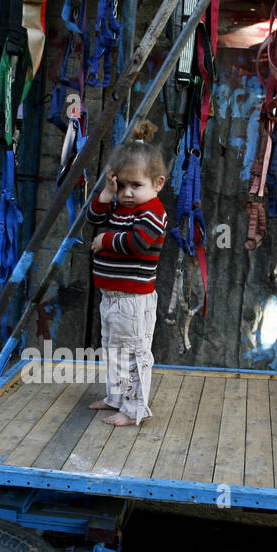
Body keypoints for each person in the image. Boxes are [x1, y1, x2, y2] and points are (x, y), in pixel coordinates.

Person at [86, 120, 169, 427]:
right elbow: (94, 215)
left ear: (157, 183)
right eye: (123, 185)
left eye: (137, 185)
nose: (128, 193)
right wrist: (108, 191)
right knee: (113, 350)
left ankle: (134, 409)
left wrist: (105, 240)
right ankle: (116, 397)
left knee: (134, 354)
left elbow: (137, 242)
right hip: (113, 297)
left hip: (133, 299)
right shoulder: (120, 206)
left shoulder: (153, 211)